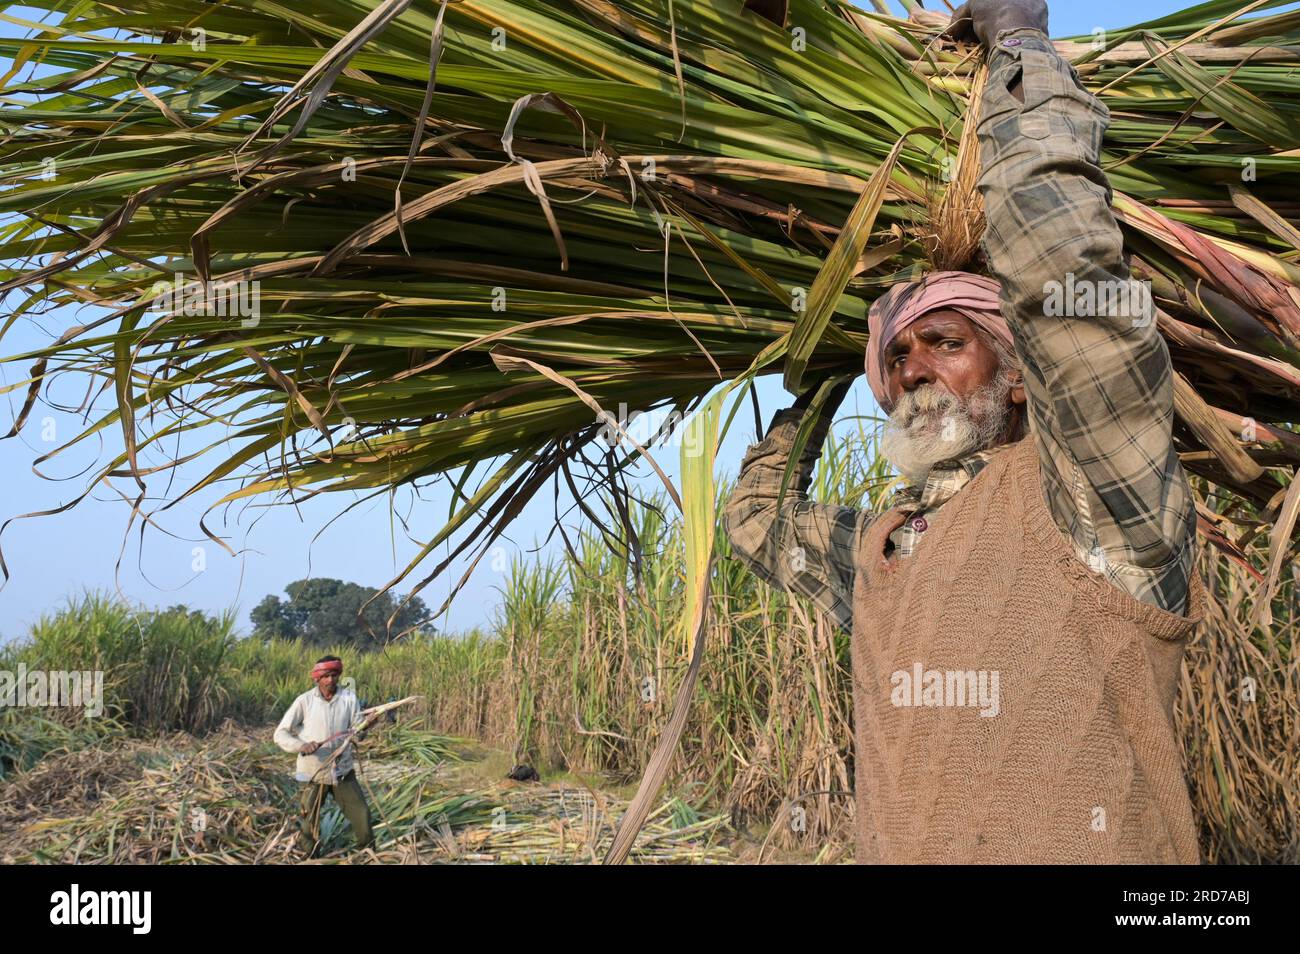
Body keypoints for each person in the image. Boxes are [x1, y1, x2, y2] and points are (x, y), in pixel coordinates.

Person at [725, 0, 1205, 863]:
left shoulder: (1094, 500)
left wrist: (1019, 43)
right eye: (895, 359)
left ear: (1021, 373)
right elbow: (756, 518)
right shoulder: (882, 548)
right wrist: (826, 380)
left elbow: (1062, 266)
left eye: (946, 343)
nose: (911, 371)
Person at [274, 655, 374, 856]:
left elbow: (356, 733)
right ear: (316, 678)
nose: (330, 680)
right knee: (308, 822)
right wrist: (301, 745)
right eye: (326, 676)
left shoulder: (349, 699)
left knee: (362, 815)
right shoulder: (304, 701)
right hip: (312, 773)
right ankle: (311, 858)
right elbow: (280, 733)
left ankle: (367, 855)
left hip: (342, 771)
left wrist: (366, 725)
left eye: (334, 675)